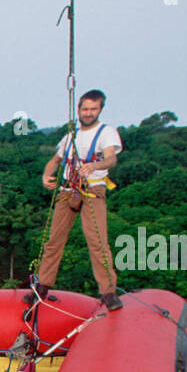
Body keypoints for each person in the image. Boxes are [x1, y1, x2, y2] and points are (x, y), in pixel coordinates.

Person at [30, 90, 124, 311]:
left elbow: (111, 158)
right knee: (54, 240)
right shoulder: (71, 136)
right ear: (79, 110)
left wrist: (96, 165)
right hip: (67, 189)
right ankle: (42, 286)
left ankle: (108, 291)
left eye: (93, 109)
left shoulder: (106, 133)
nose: (88, 113)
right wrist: (46, 175)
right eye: (84, 109)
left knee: (97, 241)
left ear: (100, 109)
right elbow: (55, 160)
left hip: (92, 189)